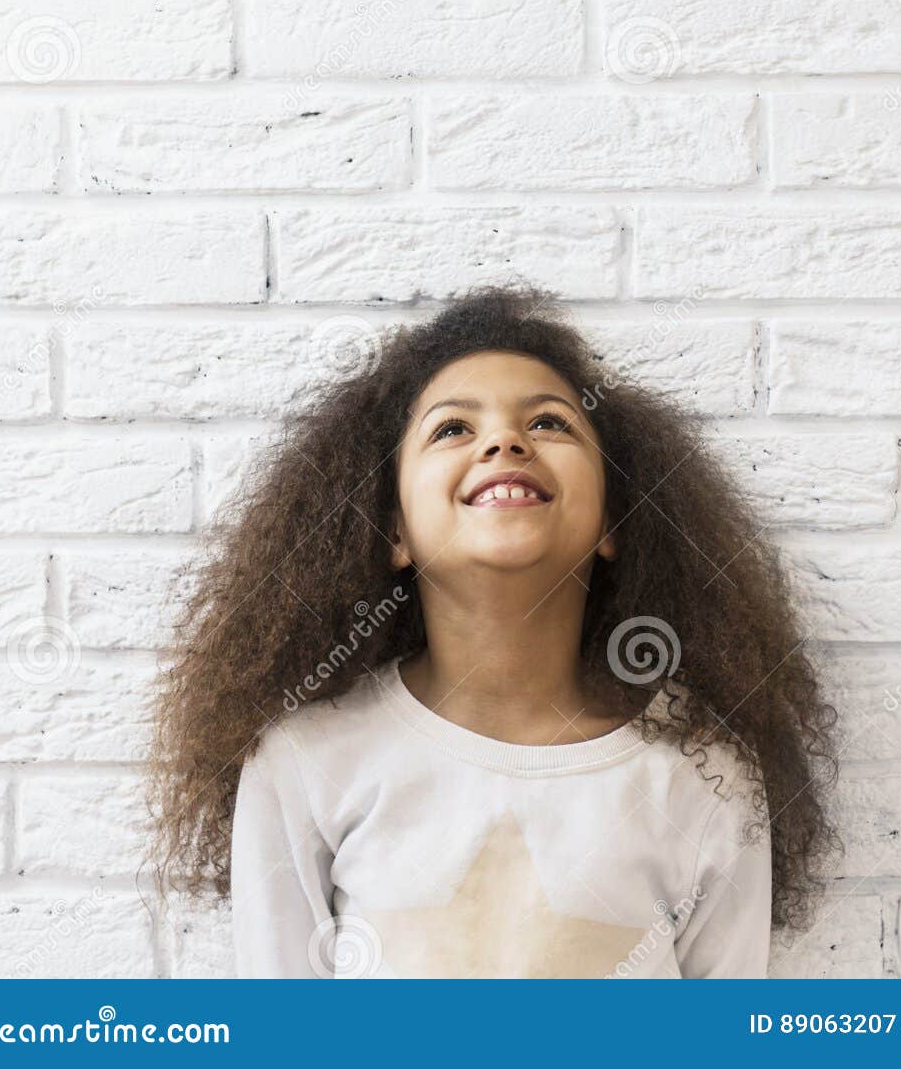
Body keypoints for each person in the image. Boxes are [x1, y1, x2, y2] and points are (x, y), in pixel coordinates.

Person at [147, 283, 842, 978]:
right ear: (394, 528)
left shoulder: (707, 779)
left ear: (611, 523)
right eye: (452, 428)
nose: (506, 441)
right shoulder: (306, 760)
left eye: (550, 424)